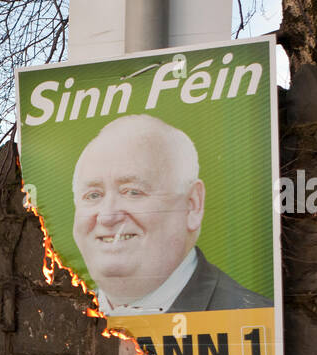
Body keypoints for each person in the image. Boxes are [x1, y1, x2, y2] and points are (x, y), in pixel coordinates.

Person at [71, 114, 271, 314]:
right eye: (93, 195)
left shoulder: (251, 316)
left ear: (192, 205)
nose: (107, 216)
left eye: (133, 192)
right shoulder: (60, 317)